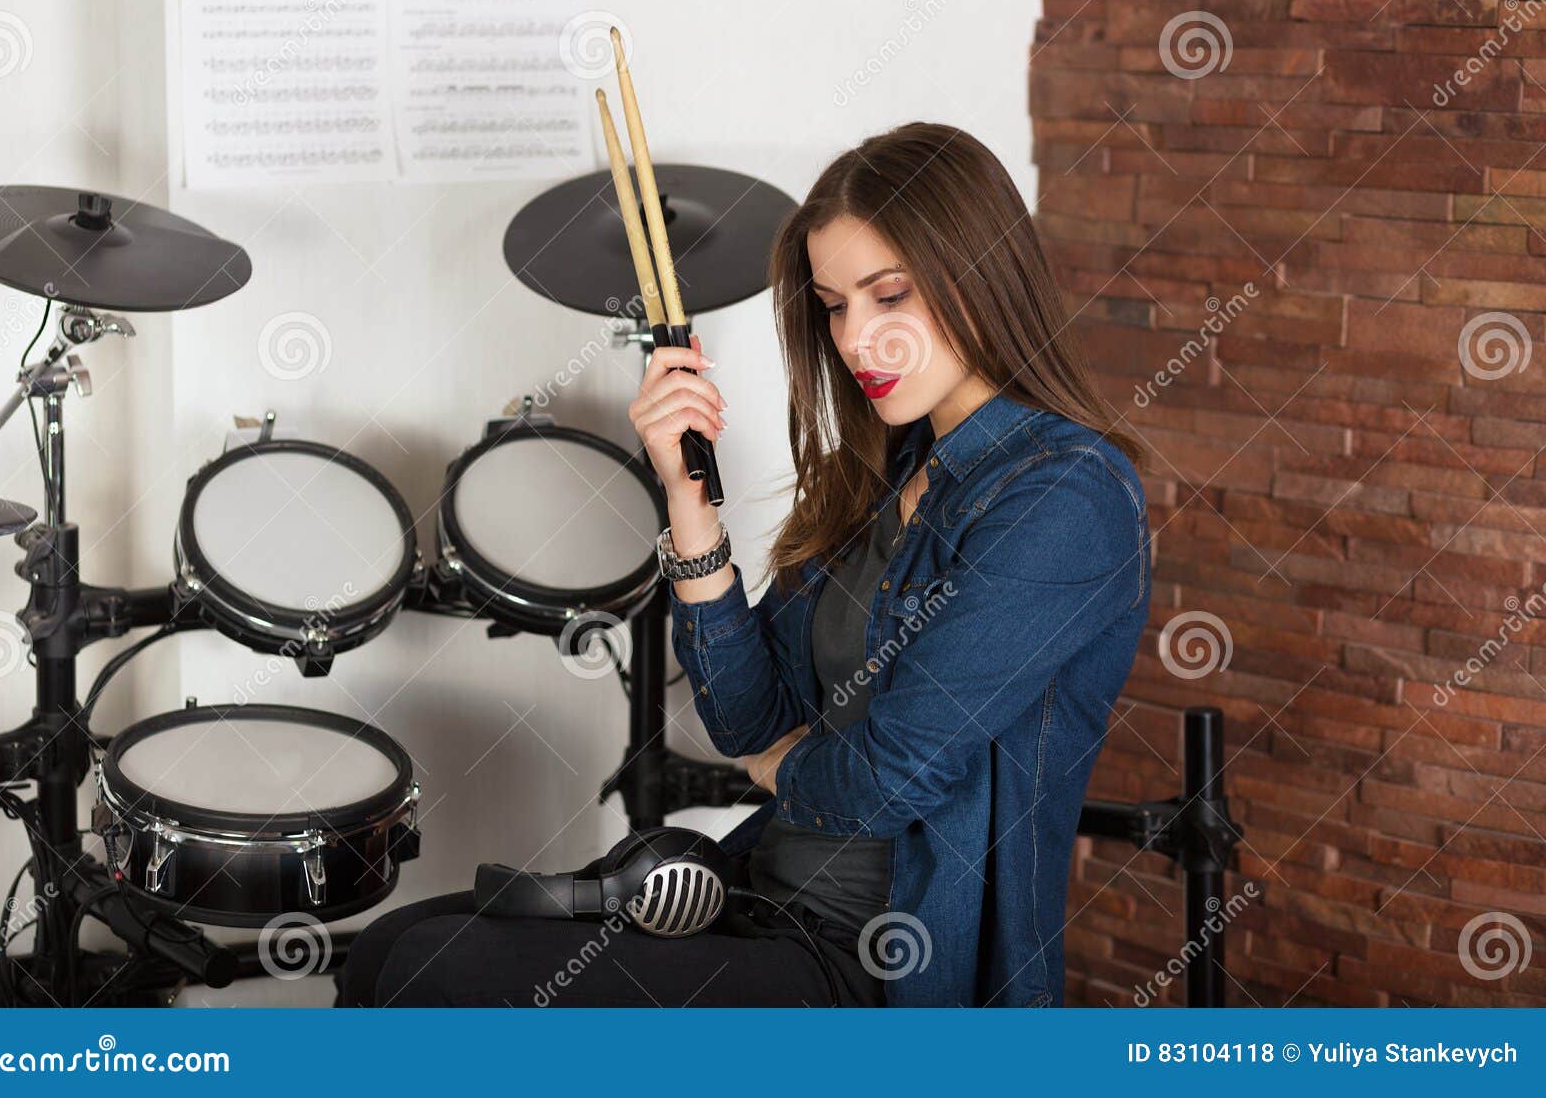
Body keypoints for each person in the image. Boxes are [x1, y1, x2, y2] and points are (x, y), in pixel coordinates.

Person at [338, 121, 1150, 1007]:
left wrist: (781, 768)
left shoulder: (1068, 496)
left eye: (889, 296)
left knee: (435, 974)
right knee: (389, 943)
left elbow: (892, 779)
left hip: (879, 964)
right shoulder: (880, 472)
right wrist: (688, 502)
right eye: (836, 305)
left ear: (980, 272)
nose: (854, 339)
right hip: (757, 895)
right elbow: (746, 713)